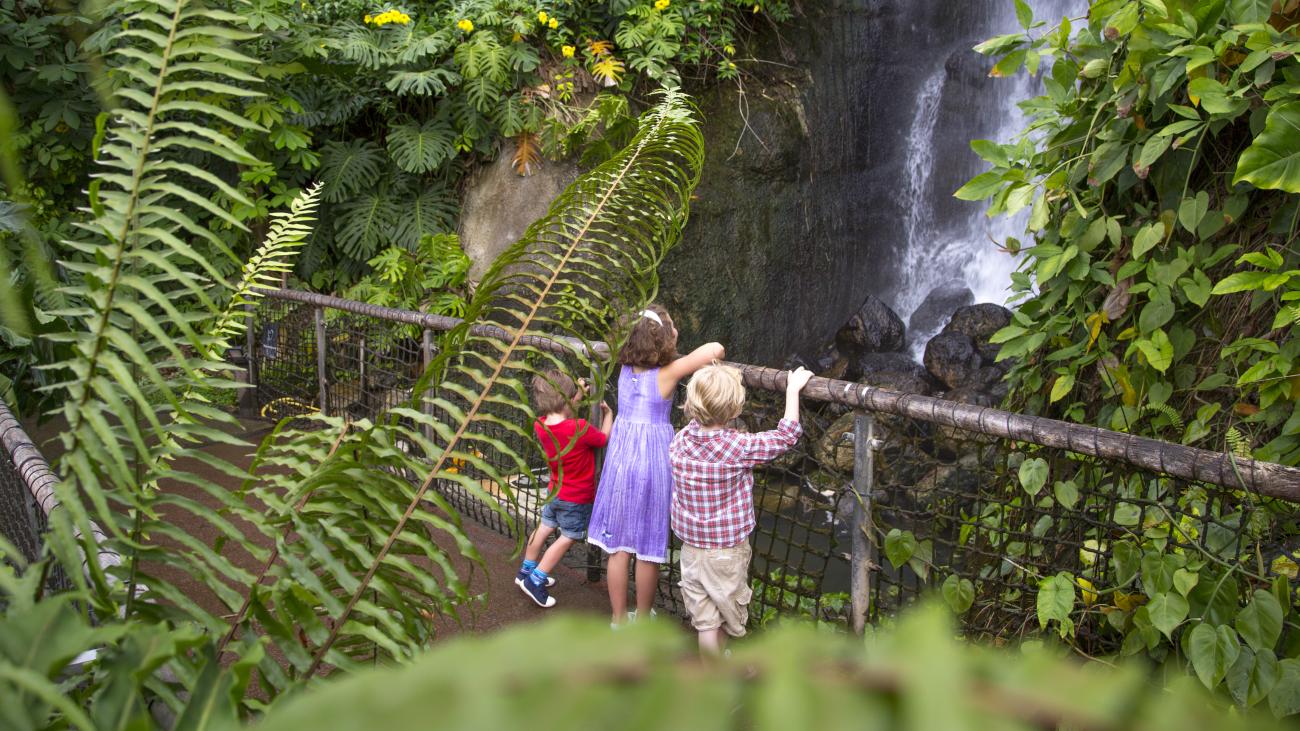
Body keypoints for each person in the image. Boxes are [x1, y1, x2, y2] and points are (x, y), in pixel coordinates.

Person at [587, 305, 724, 627]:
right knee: (648, 547)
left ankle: (619, 620)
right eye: (671, 327)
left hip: (621, 460)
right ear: (663, 341)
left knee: (618, 547)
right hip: (652, 462)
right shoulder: (669, 372)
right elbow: (715, 349)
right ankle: (644, 618)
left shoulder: (624, 370)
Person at [669, 363, 814, 657]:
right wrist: (793, 391)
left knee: (706, 622)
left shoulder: (681, 440)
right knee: (725, 614)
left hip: (691, 549)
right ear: (735, 410)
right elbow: (784, 437)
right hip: (725, 551)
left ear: (691, 404)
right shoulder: (737, 447)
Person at [516, 370, 614, 608]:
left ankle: (524, 572)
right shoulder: (580, 428)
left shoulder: (541, 425)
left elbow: (562, 411)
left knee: (543, 528)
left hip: (554, 492)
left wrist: (577, 394)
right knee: (568, 537)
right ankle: (536, 579)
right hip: (576, 498)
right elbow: (602, 438)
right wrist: (609, 414)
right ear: (565, 399)